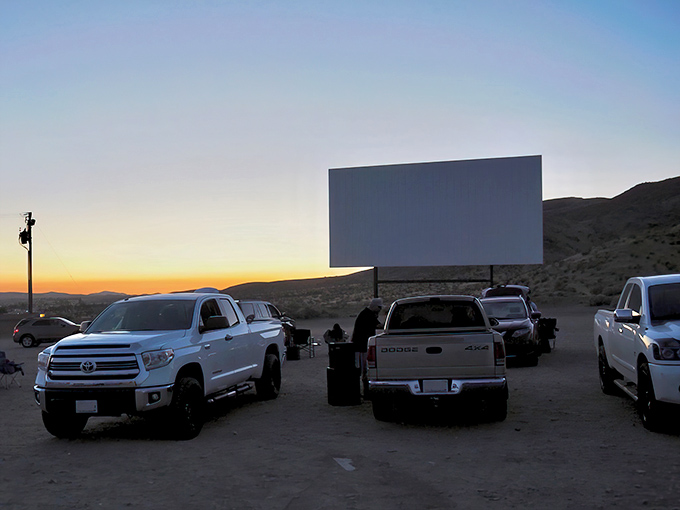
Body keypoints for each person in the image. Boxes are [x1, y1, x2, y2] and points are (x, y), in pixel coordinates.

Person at [351, 297, 384, 395]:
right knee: (364, 369)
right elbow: (379, 326)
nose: (380, 310)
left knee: (363, 369)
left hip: (361, 345)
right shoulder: (368, 315)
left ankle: (364, 391)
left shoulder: (366, 314)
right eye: (379, 307)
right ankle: (365, 392)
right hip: (362, 346)